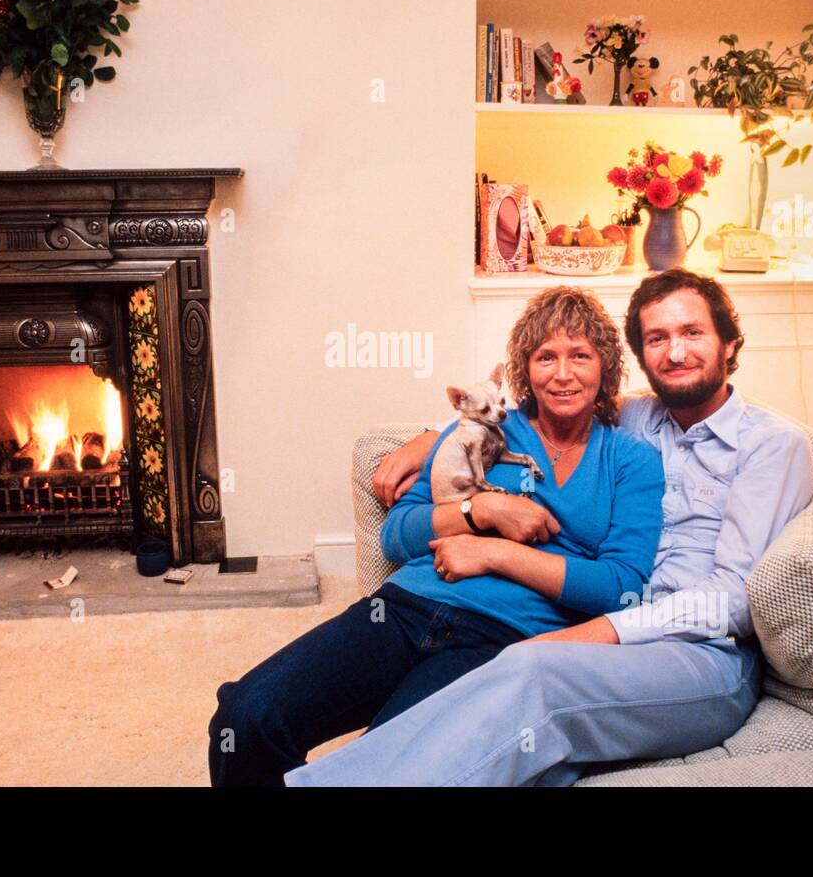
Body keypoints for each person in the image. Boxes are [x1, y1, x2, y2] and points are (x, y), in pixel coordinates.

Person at [285, 268, 813, 786]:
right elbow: (546, 403)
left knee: (529, 673)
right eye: (658, 338)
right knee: (513, 748)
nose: (675, 352)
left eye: (692, 332)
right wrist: (440, 437)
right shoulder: (639, 417)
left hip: (702, 651)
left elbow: (732, 600)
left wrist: (593, 632)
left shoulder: (773, 445)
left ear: (729, 342)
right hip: (620, 638)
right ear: (639, 355)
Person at [208, 287, 664, 786]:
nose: (562, 373)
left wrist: (494, 555)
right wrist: (481, 508)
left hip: (504, 640)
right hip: (405, 607)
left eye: (580, 355)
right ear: (525, 369)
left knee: (377, 770)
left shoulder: (630, 460)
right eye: (545, 357)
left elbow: (619, 587)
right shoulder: (481, 428)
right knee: (243, 718)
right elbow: (398, 536)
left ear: (605, 367)